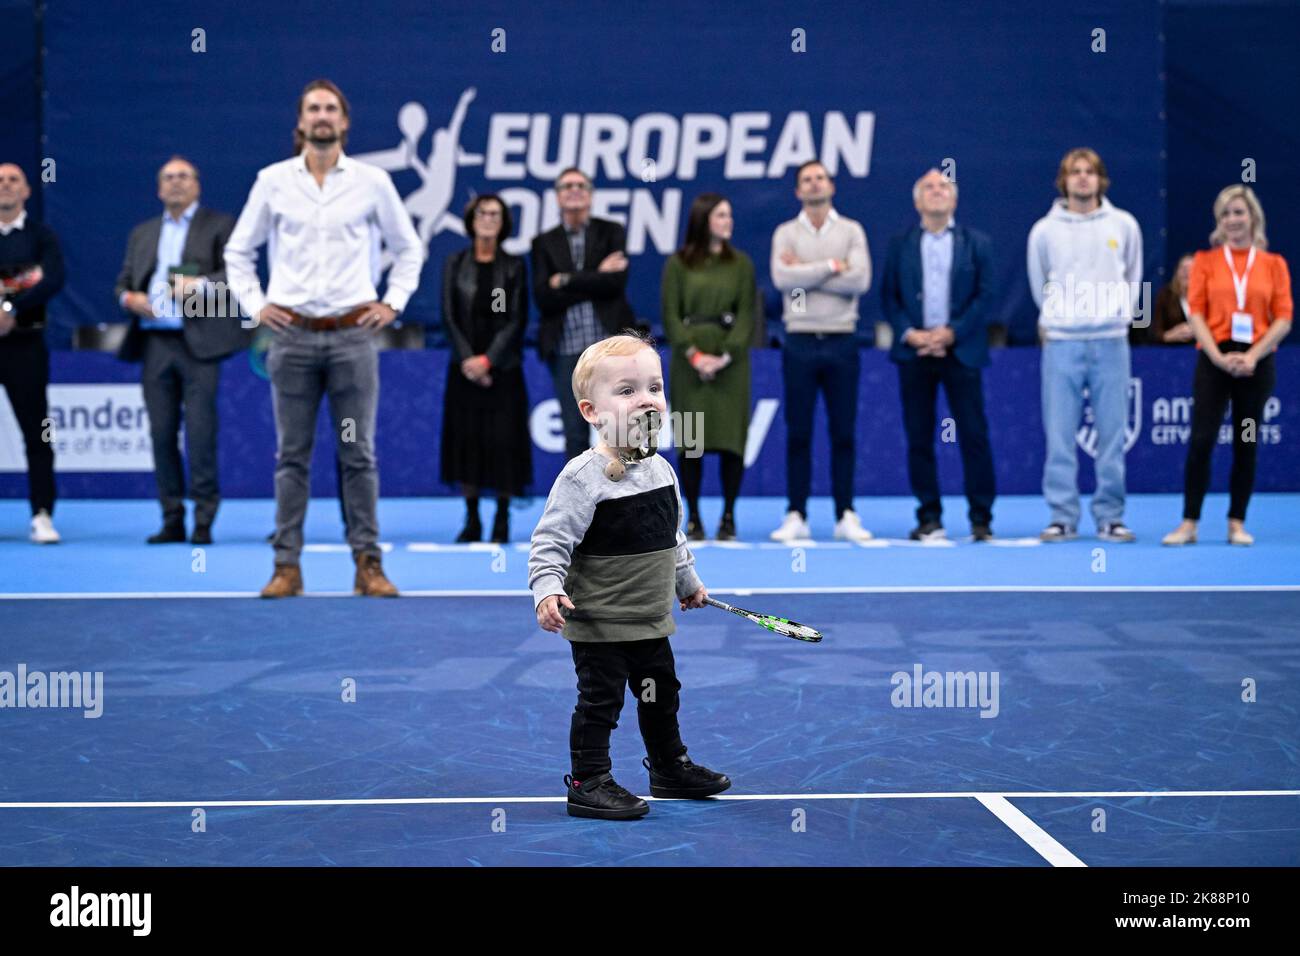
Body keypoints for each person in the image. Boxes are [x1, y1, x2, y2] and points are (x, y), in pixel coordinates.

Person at [224, 79, 423, 598]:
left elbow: (409, 248)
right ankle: (286, 567)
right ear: (300, 121)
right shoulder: (272, 181)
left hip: (352, 338)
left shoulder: (372, 182)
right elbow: (238, 251)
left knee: (358, 454)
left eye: (331, 108)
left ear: (344, 121)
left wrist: (392, 302)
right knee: (291, 457)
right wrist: (255, 304)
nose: (322, 116)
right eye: (313, 108)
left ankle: (368, 565)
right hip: (291, 339)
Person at [529, 331, 730, 820]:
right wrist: (547, 589)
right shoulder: (581, 478)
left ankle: (669, 767)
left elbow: (671, 536)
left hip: (650, 619)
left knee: (661, 695)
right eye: (626, 391)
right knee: (601, 702)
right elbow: (550, 542)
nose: (646, 399)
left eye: (654, 387)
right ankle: (588, 781)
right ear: (590, 411)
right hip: (600, 622)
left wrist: (688, 582)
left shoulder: (662, 471)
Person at [114, 156, 249, 544]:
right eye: (169, 177)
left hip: (199, 345)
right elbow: (123, 283)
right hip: (155, 342)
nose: (176, 183)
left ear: (197, 185)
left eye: (184, 176)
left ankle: (204, 519)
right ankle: (171, 517)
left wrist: (200, 286)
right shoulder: (143, 233)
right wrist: (129, 299)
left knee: (201, 434)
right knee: (161, 433)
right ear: (159, 188)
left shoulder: (219, 226)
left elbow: (237, 277)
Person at [1163, 186, 1291, 547]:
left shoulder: (1273, 264)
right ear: (1218, 222)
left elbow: (1283, 317)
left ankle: (1237, 523)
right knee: (1201, 440)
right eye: (1225, 214)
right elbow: (1196, 312)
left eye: (1238, 212)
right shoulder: (1205, 262)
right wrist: (1218, 357)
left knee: (1246, 441)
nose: (1232, 220)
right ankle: (1189, 523)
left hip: (1256, 363)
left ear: (1252, 217)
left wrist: (1253, 356)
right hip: (1214, 360)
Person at [1027, 147, 1142, 543]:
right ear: (1063, 181)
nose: (1082, 178)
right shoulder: (1044, 231)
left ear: (1100, 179)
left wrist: (1117, 316)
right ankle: (1062, 517)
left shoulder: (1124, 225)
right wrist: (1061, 317)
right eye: (1074, 171)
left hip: (1111, 341)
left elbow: (1134, 277)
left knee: (1112, 435)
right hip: (1062, 343)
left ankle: (1110, 516)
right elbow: (1040, 284)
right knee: (1059, 436)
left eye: (1089, 171)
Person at [881, 169, 997, 541]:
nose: (937, 191)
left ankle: (981, 518)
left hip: (960, 352)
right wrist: (911, 334)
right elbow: (889, 297)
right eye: (928, 187)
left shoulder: (976, 243)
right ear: (917, 202)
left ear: (954, 199)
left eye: (943, 186)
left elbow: (985, 294)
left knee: (973, 435)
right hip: (915, 354)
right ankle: (929, 517)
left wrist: (952, 332)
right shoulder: (900, 244)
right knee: (919, 437)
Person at [768, 160, 873, 542]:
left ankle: (845, 514)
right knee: (799, 432)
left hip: (842, 339)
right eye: (806, 180)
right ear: (799, 191)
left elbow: (859, 280)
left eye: (820, 178)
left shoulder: (851, 230)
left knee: (843, 432)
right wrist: (832, 265)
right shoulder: (785, 233)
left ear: (831, 186)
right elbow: (783, 279)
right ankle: (796, 513)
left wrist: (807, 271)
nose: (814, 184)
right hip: (799, 340)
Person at [660, 192, 755, 540]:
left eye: (729, 215)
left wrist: (726, 354)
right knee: (691, 441)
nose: (729, 221)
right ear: (703, 220)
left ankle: (729, 516)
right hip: (690, 366)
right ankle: (695, 517)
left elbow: (747, 314)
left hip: (732, 365)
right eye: (721, 215)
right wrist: (694, 354)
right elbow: (671, 315)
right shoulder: (678, 264)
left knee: (732, 441)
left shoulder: (742, 264)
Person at [440, 194, 531, 542]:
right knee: (467, 440)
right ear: (471, 220)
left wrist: (488, 360)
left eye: (495, 214)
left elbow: (515, 319)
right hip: (463, 370)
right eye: (482, 213)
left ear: (504, 223)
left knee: (503, 442)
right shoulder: (455, 263)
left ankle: (502, 518)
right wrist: (469, 359)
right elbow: (449, 316)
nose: (488, 219)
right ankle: (472, 518)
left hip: (503, 370)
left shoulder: (513, 266)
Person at [531, 167, 637, 460]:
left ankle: (626, 488)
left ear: (591, 195)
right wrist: (595, 275)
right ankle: (578, 490)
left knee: (620, 428)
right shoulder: (543, 243)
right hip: (565, 349)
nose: (574, 190)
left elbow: (614, 284)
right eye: (567, 186)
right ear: (558, 196)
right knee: (575, 433)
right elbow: (544, 298)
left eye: (581, 185)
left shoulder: (611, 231)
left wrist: (565, 280)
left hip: (611, 348)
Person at [0, 162, 64, 544]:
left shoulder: (42, 237)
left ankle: (42, 513)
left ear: (26, 191)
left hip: (25, 348)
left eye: (14, 180)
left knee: (38, 431)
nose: (6, 185)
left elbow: (52, 278)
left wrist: (11, 308)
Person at [1137, 253, 1196, 346]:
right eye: (1183, 268)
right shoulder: (1166, 296)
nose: (1186, 272)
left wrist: (1199, 332)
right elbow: (1154, 333)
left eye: (1191, 269)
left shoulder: (1208, 296)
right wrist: (1169, 336)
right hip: (1172, 349)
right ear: (1176, 272)